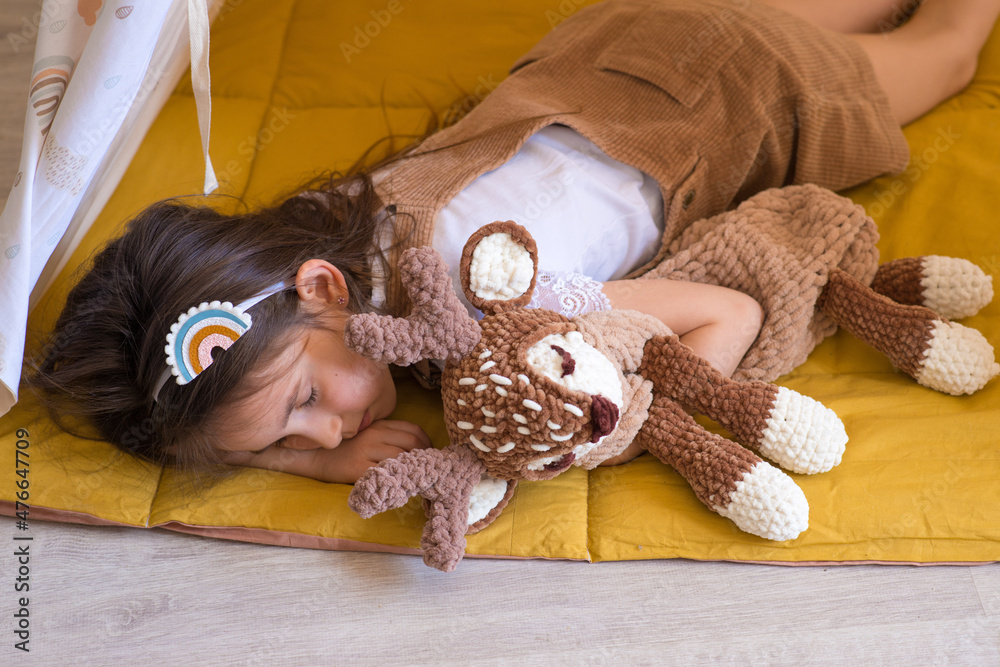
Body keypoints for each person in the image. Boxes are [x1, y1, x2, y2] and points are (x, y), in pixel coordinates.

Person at [27, 0, 1000, 484]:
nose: (326, 435)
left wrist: (608, 426)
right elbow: (247, 396)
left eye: (308, 405)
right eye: (285, 441)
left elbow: (729, 311)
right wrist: (309, 448)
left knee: (948, 46)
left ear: (321, 289)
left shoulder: (498, 294)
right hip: (618, 47)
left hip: (731, 99)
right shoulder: (322, 240)